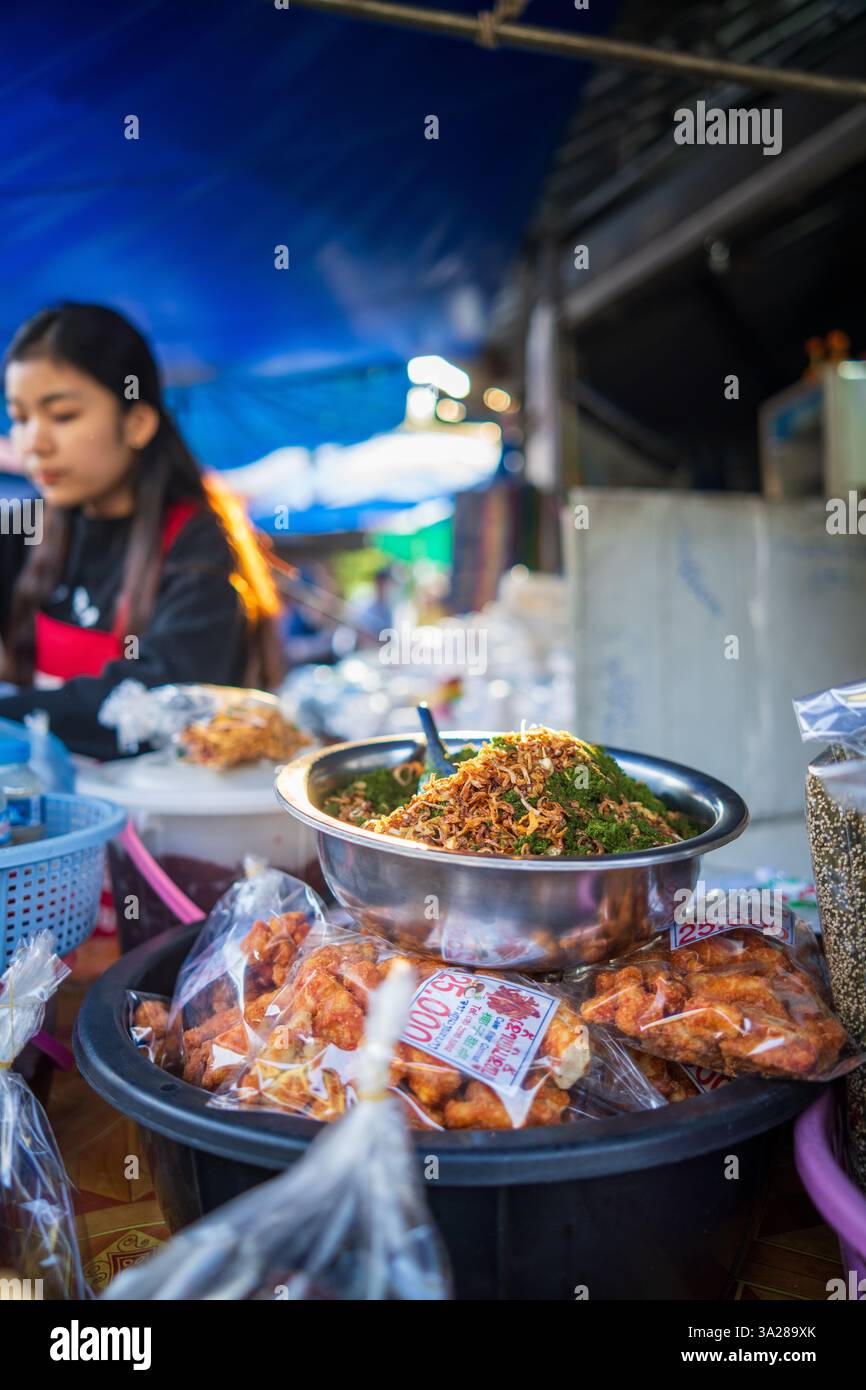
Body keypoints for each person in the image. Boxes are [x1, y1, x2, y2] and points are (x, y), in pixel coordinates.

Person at [0, 302, 285, 757]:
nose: (34, 442)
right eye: (20, 417)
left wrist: (10, 716)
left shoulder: (199, 544)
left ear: (136, 422)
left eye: (63, 415)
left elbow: (161, 694)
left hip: (161, 817)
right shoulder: (25, 529)